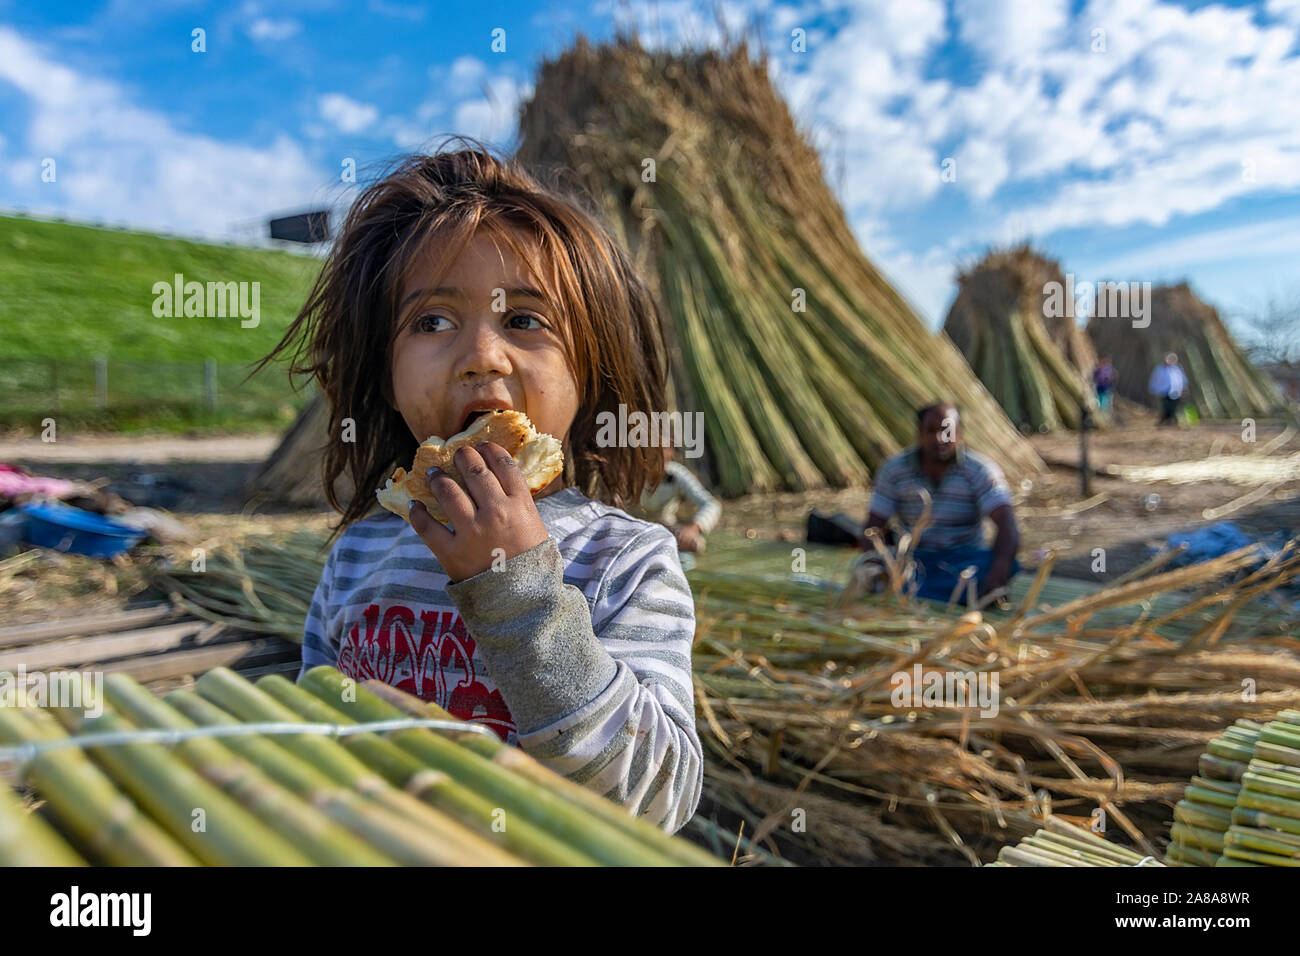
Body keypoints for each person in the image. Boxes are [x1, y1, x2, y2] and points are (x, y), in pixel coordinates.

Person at [265, 145, 701, 833]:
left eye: (524, 321)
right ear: (386, 376)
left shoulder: (625, 562)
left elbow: (659, 796)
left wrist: (517, 591)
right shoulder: (359, 554)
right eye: (432, 322)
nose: (480, 357)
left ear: (590, 373)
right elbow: (316, 729)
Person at [863, 402, 1021, 603]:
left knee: (1002, 564)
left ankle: (918, 594)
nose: (939, 438)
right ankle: (947, 595)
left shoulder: (980, 471)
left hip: (963, 562)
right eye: (931, 431)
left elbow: (1007, 523)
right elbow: (873, 525)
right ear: (919, 433)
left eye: (947, 430)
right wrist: (874, 564)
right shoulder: (894, 470)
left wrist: (999, 571)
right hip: (914, 560)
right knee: (866, 569)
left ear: (960, 434)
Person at [639, 445, 721, 572]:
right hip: (633, 529)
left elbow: (711, 505)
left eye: (665, 448)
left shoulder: (676, 474)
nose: (658, 453)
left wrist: (693, 529)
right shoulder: (629, 473)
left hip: (666, 530)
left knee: (694, 544)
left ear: (671, 452)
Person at [1149, 352, 1187, 426]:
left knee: (1173, 407)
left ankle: (1170, 421)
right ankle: (1167, 421)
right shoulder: (1160, 369)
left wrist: (1183, 388)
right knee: (1167, 407)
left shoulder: (1177, 369)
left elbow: (1183, 379)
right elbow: (1155, 380)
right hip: (1164, 391)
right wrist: (1154, 389)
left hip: (1176, 392)